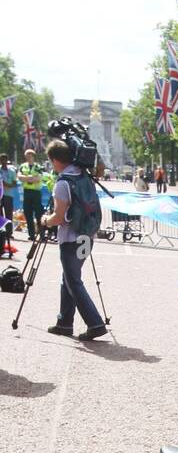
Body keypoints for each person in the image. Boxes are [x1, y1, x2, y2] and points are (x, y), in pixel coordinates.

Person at [42, 138, 108, 341]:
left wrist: (45, 220)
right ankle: (65, 322)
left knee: (74, 282)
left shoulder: (63, 183)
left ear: (54, 160)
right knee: (69, 278)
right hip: (87, 236)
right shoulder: (83, 176)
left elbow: (58, 217)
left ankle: (95, 323)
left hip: (71, 239)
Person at [18, 149, 45, 241]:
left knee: (39, 214)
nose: (29, 157)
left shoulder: (38, 166)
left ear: (33, 156)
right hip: (27, 192)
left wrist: (27, 178)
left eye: (30, 155)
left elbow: (39, 178)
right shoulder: (23, 166)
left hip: (36, 192)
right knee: (28, 213)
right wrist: (30, 178)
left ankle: (42, 235)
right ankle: (31, 235)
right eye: (27, 155)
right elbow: (20, 177)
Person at [0, 153, 17, 257]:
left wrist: (7, 185)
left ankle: (9, 233)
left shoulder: (11, 171)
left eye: (4, 159)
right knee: (1, 216)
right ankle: (2, 232)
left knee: (9, 215)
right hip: (0, 195)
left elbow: (14, 183)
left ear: (7, 160)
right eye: (1, 160)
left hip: (8, 194)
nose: (3, 161)